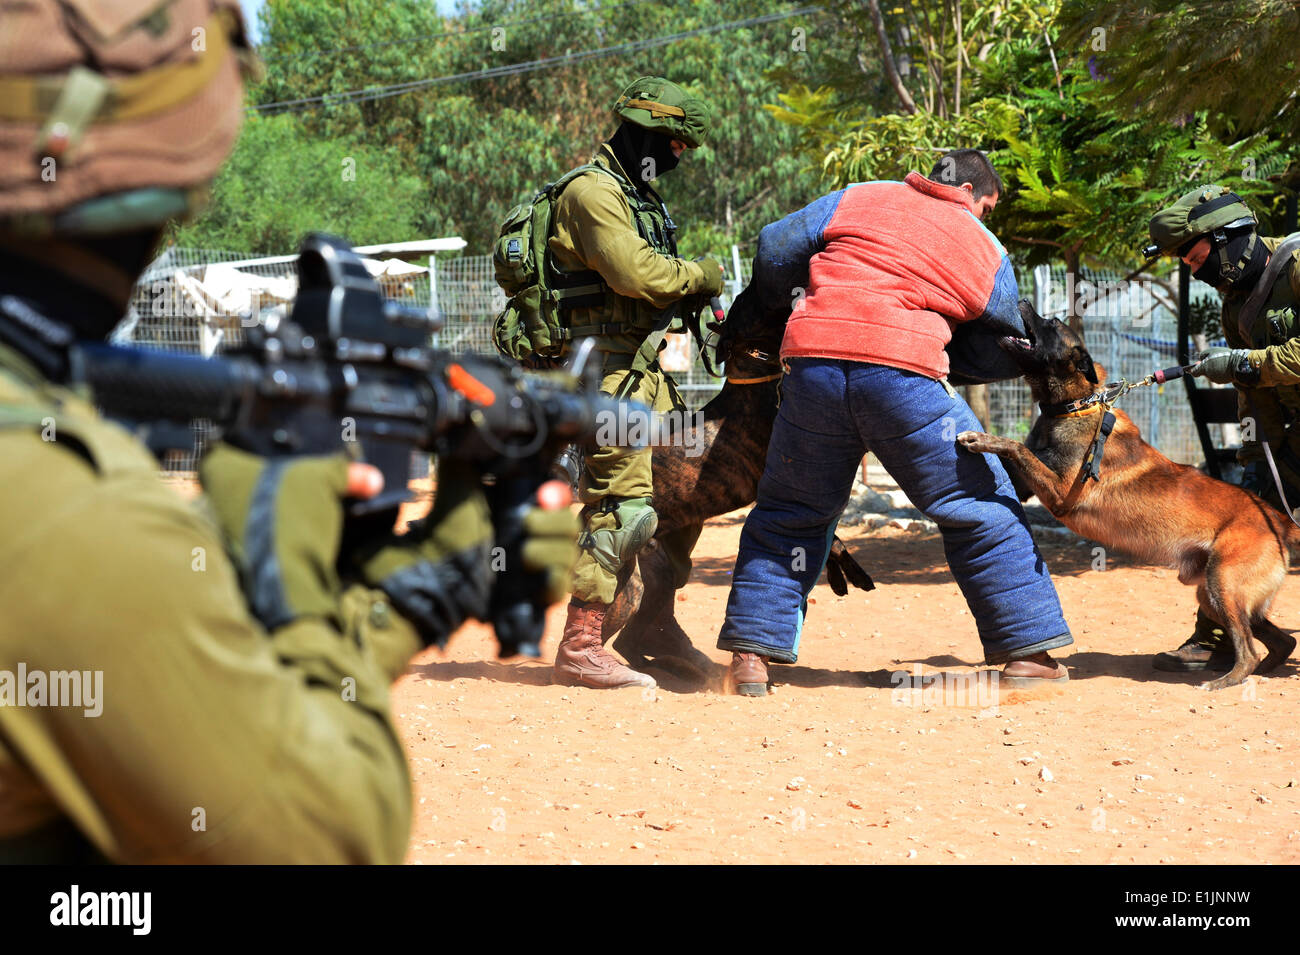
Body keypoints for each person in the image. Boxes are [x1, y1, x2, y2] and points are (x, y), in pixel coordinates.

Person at [0, 0, 576, 862]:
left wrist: (401, 599)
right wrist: (281, 540)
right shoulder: (67, 519)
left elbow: (203, 690)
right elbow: (327, 836)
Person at [715, 149, 1074, 696]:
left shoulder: (857, 196)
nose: (985, 219)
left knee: (790, 510)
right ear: (975, 194)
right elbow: (1003, 328)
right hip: (903, 375)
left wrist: (793, 302)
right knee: (982, 505)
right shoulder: (983, 244)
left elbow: (775, 245)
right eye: (988, 208)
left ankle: (749, 657)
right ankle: (1027, 653)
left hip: (811, 366)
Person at [547, 76, 725, 689]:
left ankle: (653, 622)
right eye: (674, 146)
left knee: (686, 493)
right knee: (620, 502)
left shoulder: (639, 197)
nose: (678, 159)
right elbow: (631, 273)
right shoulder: (592, 193)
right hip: (606, 371)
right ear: (646, 132)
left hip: (646, 367)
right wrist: (699, 274)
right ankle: (581, 644)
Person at [1146, 185, 1300, 672]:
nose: (1197, 271)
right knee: (1244, 529)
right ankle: (1215, 637)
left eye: (1197, 257)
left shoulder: (1296, 268)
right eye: (1188, 265)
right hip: (1287, 441)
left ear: (1231, 238)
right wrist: (1255, 461)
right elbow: (1254, 393)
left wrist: (1242, 361)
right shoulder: (1236, 303)